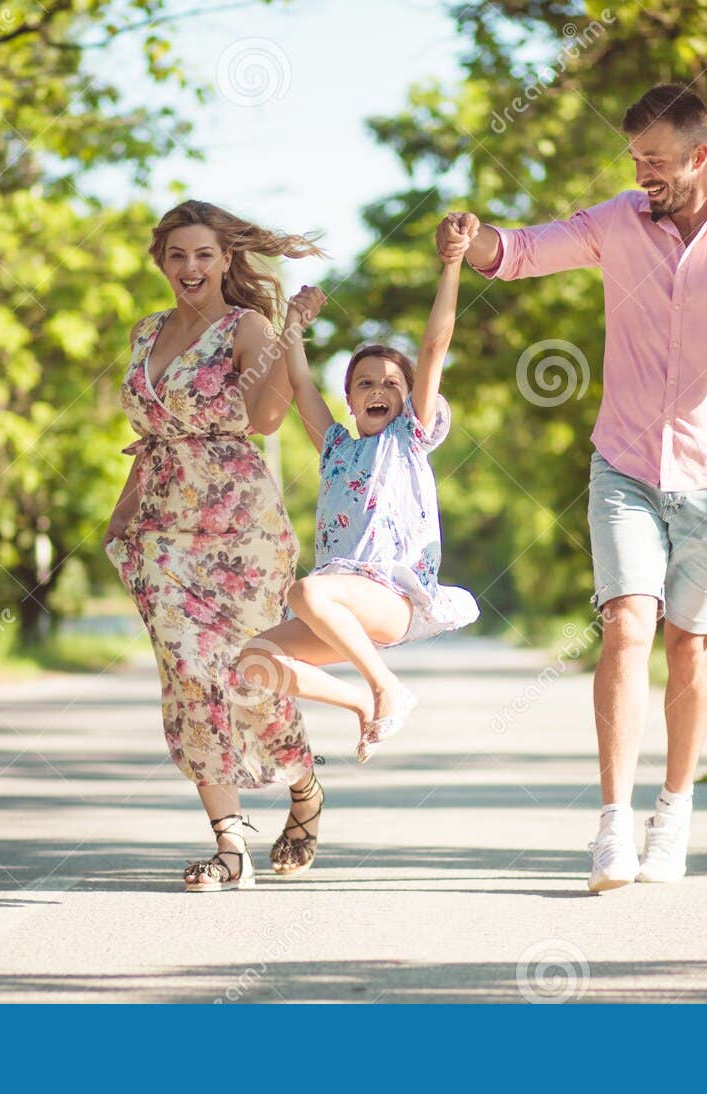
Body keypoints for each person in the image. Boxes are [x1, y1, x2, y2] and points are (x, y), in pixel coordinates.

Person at [439, 82, 707, 892]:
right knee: (626, 627)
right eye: (636, 160)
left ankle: (674, 814)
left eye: (658, 162)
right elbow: (522, 251)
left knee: (688, 644)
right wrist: (475, 235)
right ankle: (612, 826)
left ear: (700, 156)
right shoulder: (618, 222)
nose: (643, 176)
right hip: (626, 463)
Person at [230, 222, 481, 874]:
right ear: (350, 398)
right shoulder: (338, 445)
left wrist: (451, 264)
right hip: (345, 602)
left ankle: (385, 686)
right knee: (252, 664)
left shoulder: (408, 439)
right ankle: (367, 700)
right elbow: (301, 384)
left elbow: (433, 346)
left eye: (390, 385)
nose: (378, 390)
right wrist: (291, 322)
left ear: (410, 404)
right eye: (364, 382)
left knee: (306, 591)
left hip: (393, 595)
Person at [103, 199, 324, 893]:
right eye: (177, 255)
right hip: (163, 526)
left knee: (248, 676)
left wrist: (289, 336)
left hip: (239, 527)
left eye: (203, 254)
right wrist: (121, 517)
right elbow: (152, 435)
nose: (189, 267)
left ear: (226, 260)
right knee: (189, 675)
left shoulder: (245, 326)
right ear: (161, 263)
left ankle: (305, 790)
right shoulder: (146, 331)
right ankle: (230, 846)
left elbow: (264, 419)